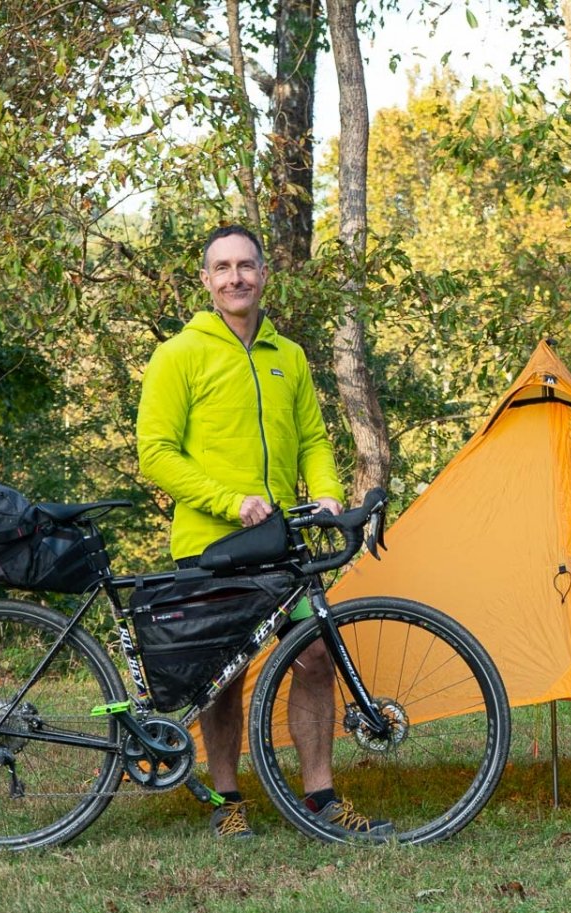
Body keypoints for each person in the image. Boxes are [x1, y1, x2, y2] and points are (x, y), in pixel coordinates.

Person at [137, 224, 391, 840]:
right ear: (205, 280)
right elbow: (156, 453)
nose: (234, 278)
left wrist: (327, 491)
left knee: (313, 657)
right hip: (210, 545)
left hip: (283, 544)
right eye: (221, 268)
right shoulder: (179, 355)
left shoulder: (289, 357)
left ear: (262, 274)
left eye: (245, 266)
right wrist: (231, 502)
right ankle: (228, 804)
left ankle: (321, 798)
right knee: (224, 675)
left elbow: (311, 439)